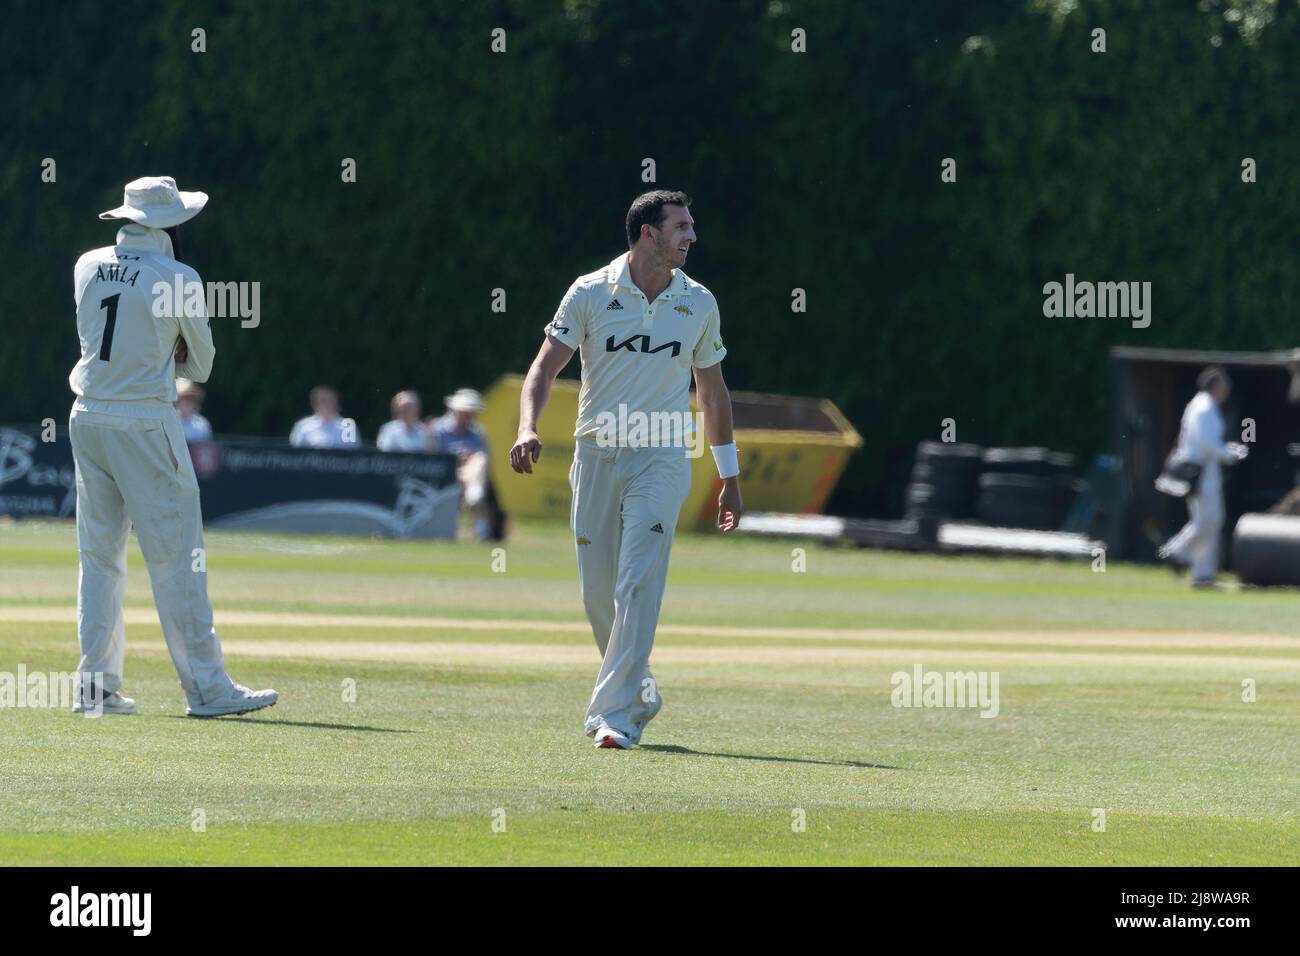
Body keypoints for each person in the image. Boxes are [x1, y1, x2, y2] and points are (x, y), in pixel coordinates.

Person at [510, 189, 743, 750]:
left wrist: (730, 478)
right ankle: (638, 692)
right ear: (648, 233)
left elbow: (712, 394)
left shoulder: (699, 302)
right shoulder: (589, 292)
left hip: (662, 456)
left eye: (692, 225)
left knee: (638, 584)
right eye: (681, 226)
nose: (691, 235)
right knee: (598, 594)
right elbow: (544, 369)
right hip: (597, 453)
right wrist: (526, 426)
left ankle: (614, 716)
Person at [67, 175, 278, 716]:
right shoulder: (180, 277)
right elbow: (201, 365)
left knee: (99, 558)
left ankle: (95, 687)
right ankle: (207, 689)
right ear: (170, 223)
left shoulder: (87, 264)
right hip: (145, 421)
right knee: (180, 559)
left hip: (87, 416)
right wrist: (172, 353)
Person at [1158, 366, 1247, 587]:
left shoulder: (1200, 404)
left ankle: (1203, 574)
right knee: (1210, 520)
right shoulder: (1205, 407)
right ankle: (1175, 552)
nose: (1227, 392)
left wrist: (1227, 450)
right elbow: (1206, 444)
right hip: (1202, 472)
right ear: (1216, 386)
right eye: (1225, 387)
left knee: (1210, 521)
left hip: (1203, 469)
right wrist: (1229, 454)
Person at [431, 388, 501, 540]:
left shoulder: (478, 432)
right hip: (446, 473)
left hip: (471, 474)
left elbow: (485, 460)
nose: (469, 415)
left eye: (472, 411)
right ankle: (474, 498)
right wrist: (458, 460)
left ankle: (473, 495)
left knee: (479, 460)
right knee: (477, 483)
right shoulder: (439, 429)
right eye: (465, 411)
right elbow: (434, 457)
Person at [289, 385, 360, 448]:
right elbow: (294, 455)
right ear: (314, 404)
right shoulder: (303, 427)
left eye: (331, 400)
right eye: (323, 401)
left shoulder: (348, 427)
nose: (328, 404)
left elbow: (356, 456)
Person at [175, 378, 212, 443]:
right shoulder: (168, 420)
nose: (189, 401)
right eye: (185, 397)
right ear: (177, 400)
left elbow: (206, 448)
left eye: (192, 398)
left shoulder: (202, 424)